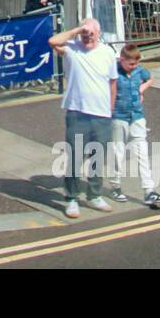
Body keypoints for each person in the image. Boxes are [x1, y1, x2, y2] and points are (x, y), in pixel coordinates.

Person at [48, 18, 118, 219]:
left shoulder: (107, 53)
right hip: (77, 113)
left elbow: (112, 83)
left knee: (97, 157)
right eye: (84, 34)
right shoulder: (71, 48)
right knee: (75, 157)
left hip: (102, 114)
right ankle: (71, 198)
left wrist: (111, 108)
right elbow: (53, 41)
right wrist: (78, 28)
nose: (87, 37)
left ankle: (94, 195)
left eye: (91, 33)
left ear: (99, 32)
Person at [107, 44, 160, 207]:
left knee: (142, 152)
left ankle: (149, 190)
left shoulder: (140, 71)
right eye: (130, 64)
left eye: (135, 64)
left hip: (137, 115)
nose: (133, 67)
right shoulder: (113, 71)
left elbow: (149, 78)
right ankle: (115, 186)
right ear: (122, 60)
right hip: (118, 116)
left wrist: (141, 89)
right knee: (117, 151)